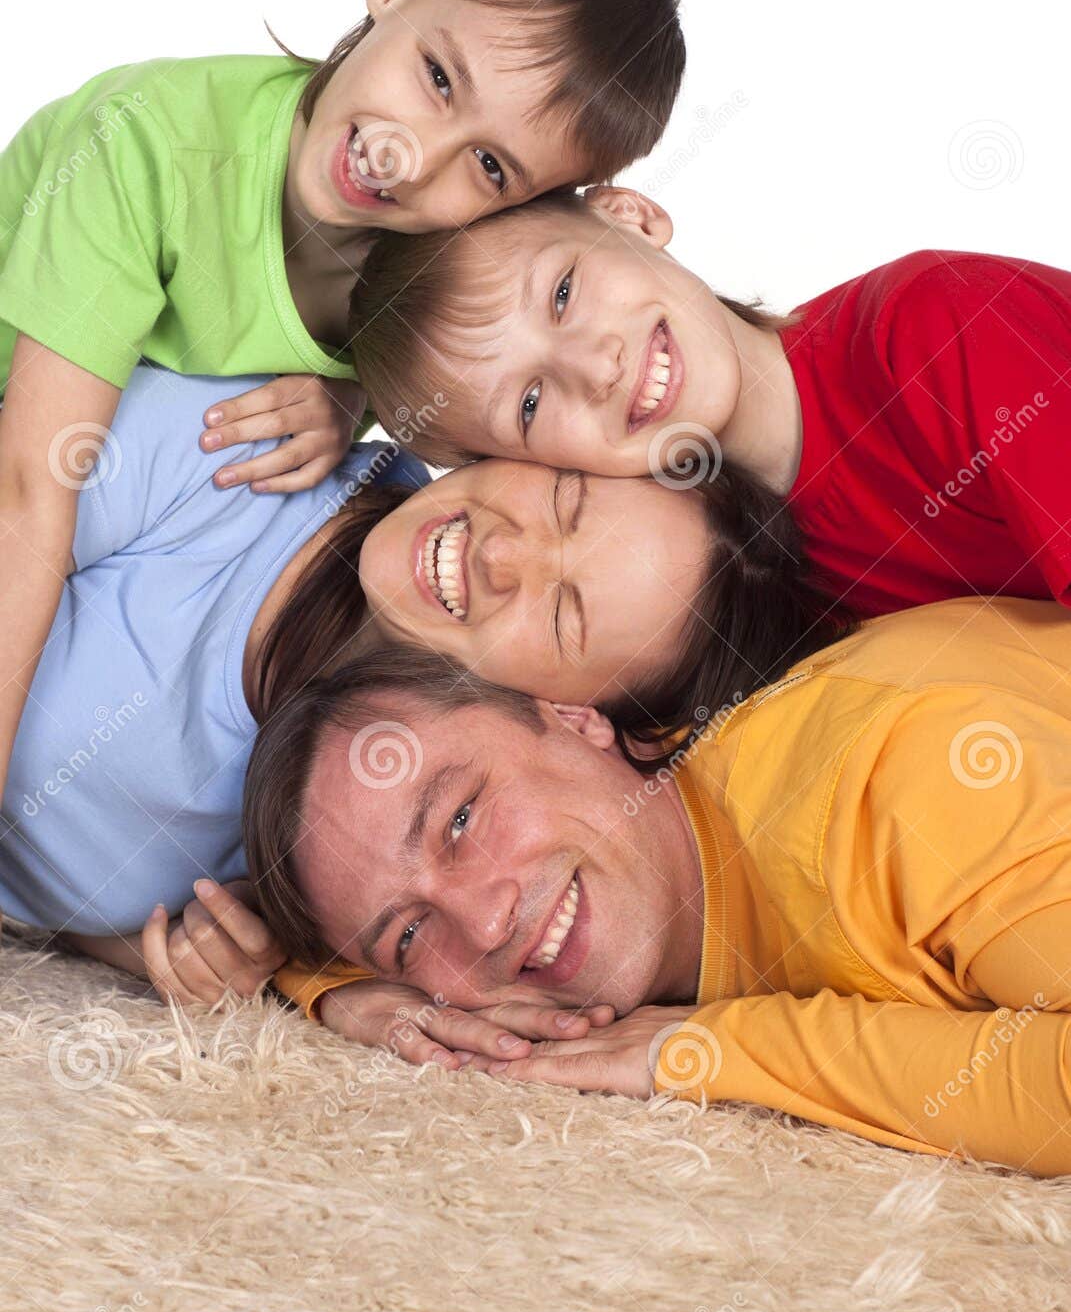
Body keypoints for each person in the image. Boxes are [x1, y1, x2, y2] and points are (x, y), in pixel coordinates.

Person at [0, 0, 686, 817]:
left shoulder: (431, 291)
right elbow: (31, 488)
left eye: (489, 167)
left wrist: (359, 389)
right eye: (438, 77)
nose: (410, 158)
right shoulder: (151, 144)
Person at [4, 366, 837, 1064]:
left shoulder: (360, 839)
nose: (502, 554)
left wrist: (275, 981)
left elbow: (62, 910)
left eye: (565, 616)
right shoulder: (242, 446)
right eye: (565, 498)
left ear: (576, 710)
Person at [244, 602, 1071, 1179]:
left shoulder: (909, 781)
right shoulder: (662, 836)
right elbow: (302, 938)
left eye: (460, 820)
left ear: (573, 717)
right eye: (411, 936)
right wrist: (345, 997)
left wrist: (712, 1049)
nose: (485, 922)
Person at [343, 185, 1071, 618]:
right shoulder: (703, 591)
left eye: (563, 293)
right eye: (529, 405)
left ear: (629, 216)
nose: (594, 366)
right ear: (529, 471)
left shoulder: (934, 329)